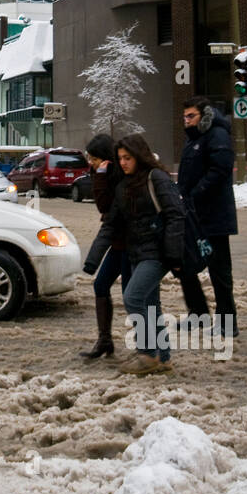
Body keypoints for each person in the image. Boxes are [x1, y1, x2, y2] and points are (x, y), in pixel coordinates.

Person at [90, 134, 182, 375]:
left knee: (133, 297)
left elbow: (175, 214)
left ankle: (148, 354)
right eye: (120, 158)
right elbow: (110, 223)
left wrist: (173, 255)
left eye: (127, 158)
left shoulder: (157, 178)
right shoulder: (124, 186)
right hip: (138, 252)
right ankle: (163, 359)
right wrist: (93, 259)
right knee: (151, 306)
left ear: (140, 156)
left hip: (158, 253)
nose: (123, 163)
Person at [178, 97, 238, 336]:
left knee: (219, 272)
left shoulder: (217, 135)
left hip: (213, 216)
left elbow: (220, 169)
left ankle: (227, 323)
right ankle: (198, 314)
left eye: (191, 116)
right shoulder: (194, 139)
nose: (187, 121)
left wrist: (196, 192)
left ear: (205, 115)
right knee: (185, 266)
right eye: (184, 117)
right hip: (192, 216)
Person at [78, 133, 132, 360]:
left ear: (105, 158)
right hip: (118, 243)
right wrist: (98, 173)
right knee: (101, 285)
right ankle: (105, 340)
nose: (91, 163)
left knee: (132, 295)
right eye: (89, 159)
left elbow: (104, 205)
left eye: (94, 159)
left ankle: (148, 348)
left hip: (131, 244)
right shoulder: (105, 173)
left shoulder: (120, 176)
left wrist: (100, 175)